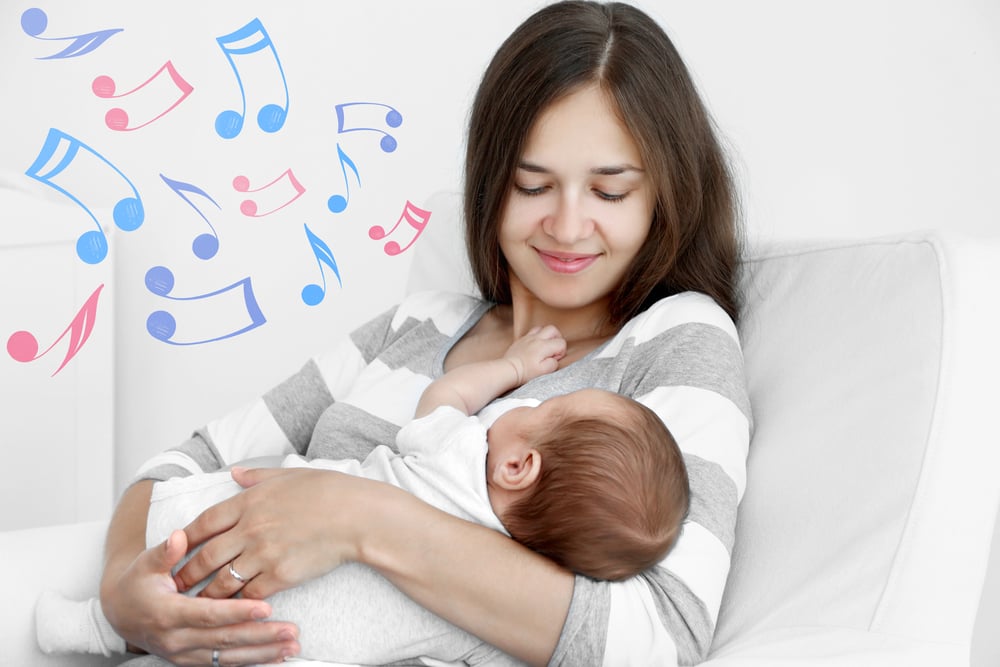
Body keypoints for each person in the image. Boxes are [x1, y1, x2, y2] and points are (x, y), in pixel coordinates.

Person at [99, 1, 751, 666]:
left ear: (662, 196)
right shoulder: (419, 322)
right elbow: (188, 461)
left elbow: (659, 636)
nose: (567, 223)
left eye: (609, 193)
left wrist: (356, 517)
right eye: (533, 184)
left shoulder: (680, 336)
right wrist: (124, 594)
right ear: (493, 183)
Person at [38, 325, 689, 664]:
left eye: (551, 404)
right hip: (298, 639)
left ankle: (88, 624)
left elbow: (445, 396)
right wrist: (123, 588)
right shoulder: (510, 587)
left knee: (186, 528)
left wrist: (512, 368)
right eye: (534, 183)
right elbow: (198, 447)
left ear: (519, 463)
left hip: (210, 533)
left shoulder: (463, 446)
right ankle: (110, 616)